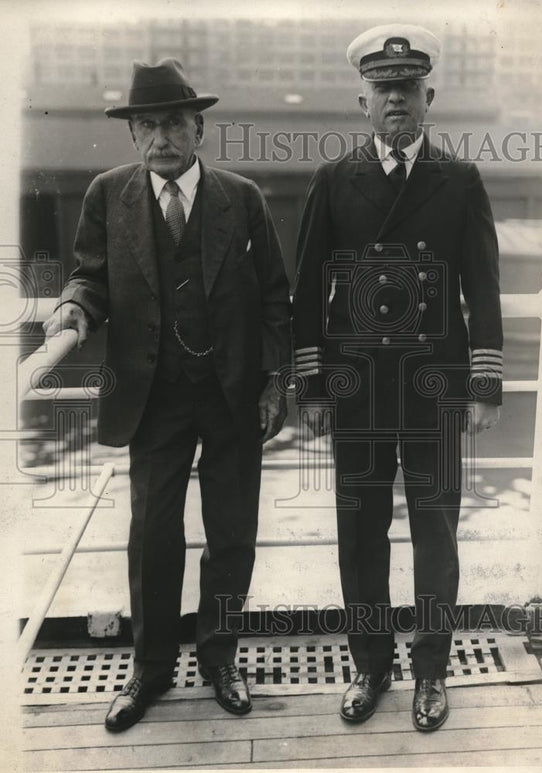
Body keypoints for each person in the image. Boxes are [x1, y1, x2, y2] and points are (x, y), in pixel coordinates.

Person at [43, 58, 291, 731]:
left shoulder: (242, 198)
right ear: (132, 136)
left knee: (232, 533)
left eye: (174, 122)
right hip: (152, 395)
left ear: (199, 127)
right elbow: (88, 277)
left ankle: (220, 659)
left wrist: (275, 382)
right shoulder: (106, 195)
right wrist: (73, 309)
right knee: (153, 534)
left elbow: (276, 297)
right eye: (147, 125)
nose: (161, 138)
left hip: (232, 392)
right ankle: (149, 670)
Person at [292, 24, 502, 731]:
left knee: (436, 532)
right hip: (357, 387)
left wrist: (485, 382)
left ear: (429, 96)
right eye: (383, 89)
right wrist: (314, 384)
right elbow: (307, 293)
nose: (396, 101)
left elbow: (485, 288)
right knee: (360, 528)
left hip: (433, 385)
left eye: (407, 88)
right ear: (362, 102)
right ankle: (371, 662)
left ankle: (433, 669)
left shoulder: (460, 180)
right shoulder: (333, 180)